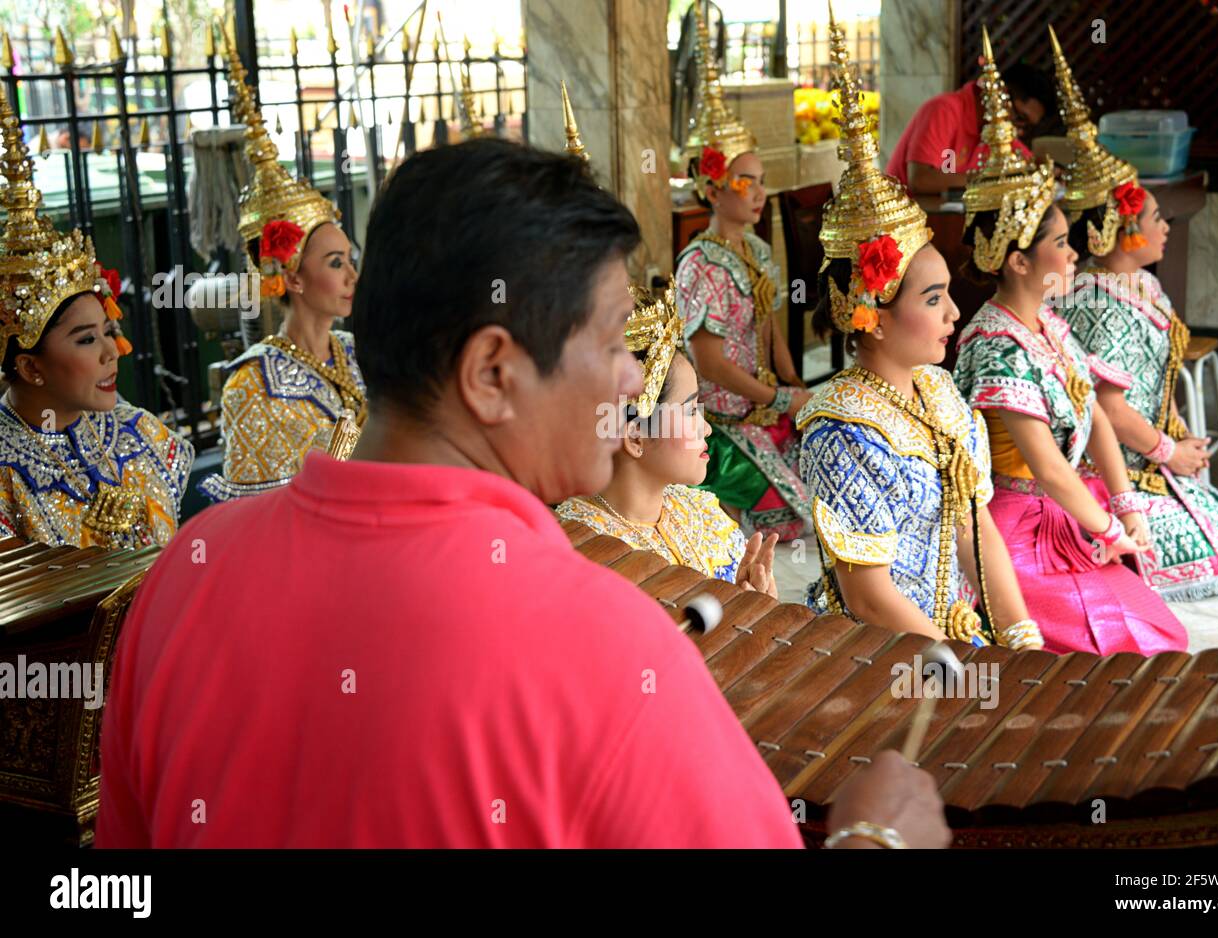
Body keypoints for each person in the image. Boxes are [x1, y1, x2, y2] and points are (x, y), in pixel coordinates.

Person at [96, 137, 948, 849]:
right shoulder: (610, 649)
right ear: (494, 373)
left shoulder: (183, 579)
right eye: (616, 340)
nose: (630, 377)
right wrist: (875, 840)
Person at [797, 16, 1042, 651]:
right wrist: (960, 672)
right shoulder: (840, 428)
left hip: (952, 640)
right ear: (870, 314)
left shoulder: (940, 392)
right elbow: (869, 596)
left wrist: (1019, 639)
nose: (953, 315)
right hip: (874, 656)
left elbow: (974, 530)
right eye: (933, 300)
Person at [951, 34, 1185, 656]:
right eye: (1060, 243)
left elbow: (1098, 419)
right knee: (1128, 650)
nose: (1075, 251)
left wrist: (1126, 510)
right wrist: (1108, 525)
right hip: (1016, 531)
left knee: (1164, 631)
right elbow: (1050, 469)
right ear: (1021, 261)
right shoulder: (993, 344)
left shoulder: (1052, 323)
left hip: (1064, 516)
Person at [1063, 193, 1218, 600]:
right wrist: (1168, 451)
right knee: (1208, 550)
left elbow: (1167, 369)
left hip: (1145, 458)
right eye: (1157, 217)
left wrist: (1180, 437)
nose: (1166, 227)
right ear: (1126, 232)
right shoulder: (1100, 300)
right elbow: (1109, 410)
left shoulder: (1144, 283)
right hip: (1105, 471)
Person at [0, 88, 192, 548]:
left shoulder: (133, 430)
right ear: (30, 366)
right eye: (86, 340)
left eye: (110, 331)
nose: (112, 352)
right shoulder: (7, 473)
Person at [198, 26, 364, 502]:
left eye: (350, 259)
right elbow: (256, 519)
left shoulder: (356, 354)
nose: (352, 275)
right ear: (291, 276)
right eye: (335, 263)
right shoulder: (253, 383)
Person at [674, 0, 810, 541]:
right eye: (744, 181)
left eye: (760, 179)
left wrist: (796, 388)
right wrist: (775, 398)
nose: (759, 192)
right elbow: (709, 362)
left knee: (822, 479)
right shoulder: (698, 265)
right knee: (793, 516)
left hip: (763, 407)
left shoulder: (756, 248)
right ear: (711, 189)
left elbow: (769, 326)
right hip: (725, 422)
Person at [558, 281, 779, 595]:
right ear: (635, 436)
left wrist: (756, 605)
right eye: (690, 411)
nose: (706, 429)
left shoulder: (701, 510)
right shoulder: (582, 550)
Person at [885, 36, 1051, 195]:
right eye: (1020, 118)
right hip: (903, 219)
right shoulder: (945, 110)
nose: (1019, 131)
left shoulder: (994, 128)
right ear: (1001, 94)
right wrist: (991, 181)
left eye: (1026, 126)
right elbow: (921, 181)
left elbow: (1031, 166)